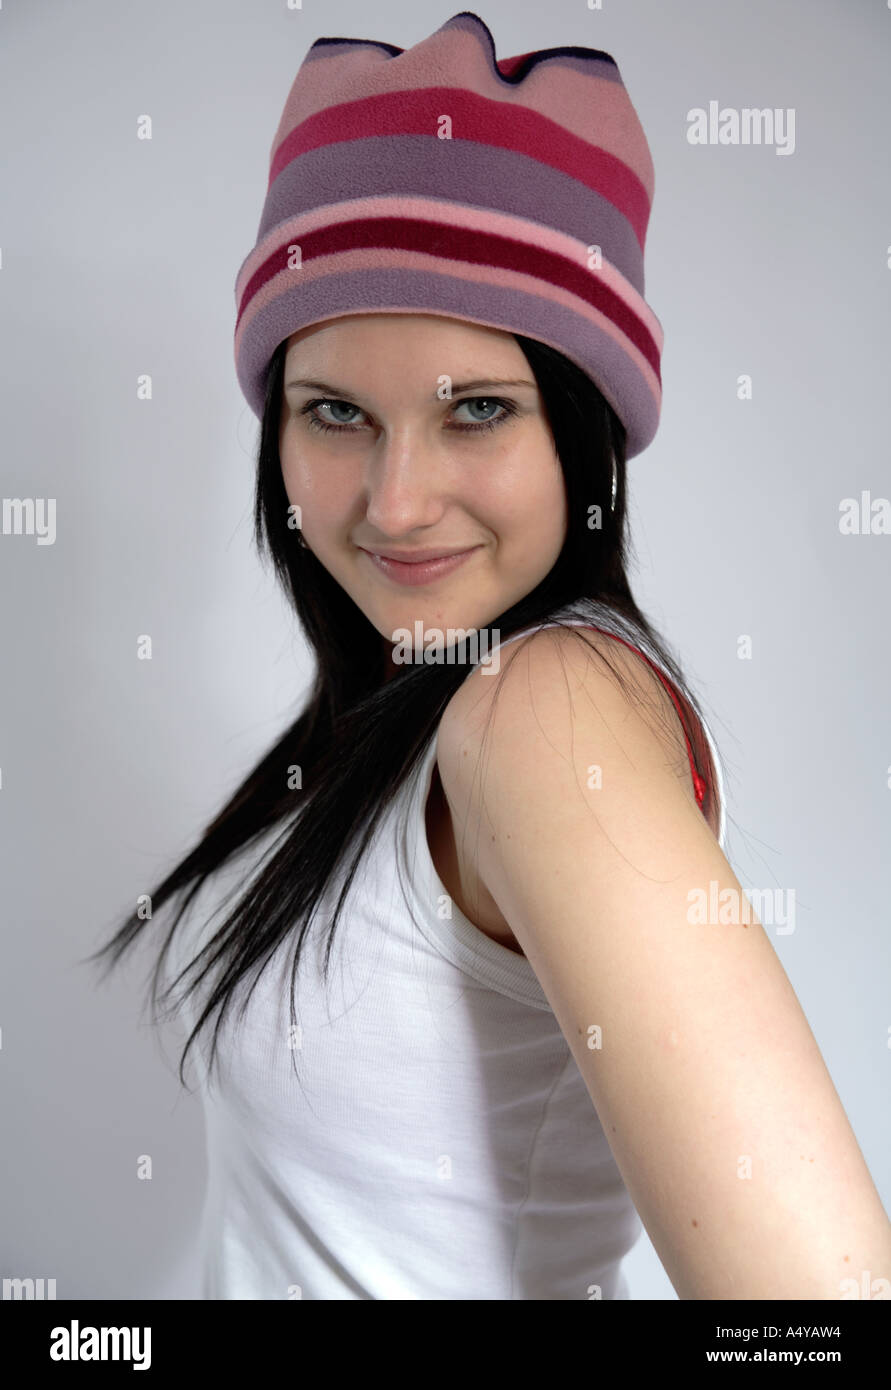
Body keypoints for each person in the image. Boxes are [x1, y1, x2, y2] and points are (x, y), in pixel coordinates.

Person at [87, 11, 891, 1300]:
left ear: (585, 430)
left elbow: (820, 1307)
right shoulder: (403, 701)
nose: (396, 503)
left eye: (477, 412)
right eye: (336, 411)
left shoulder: (542, 710)